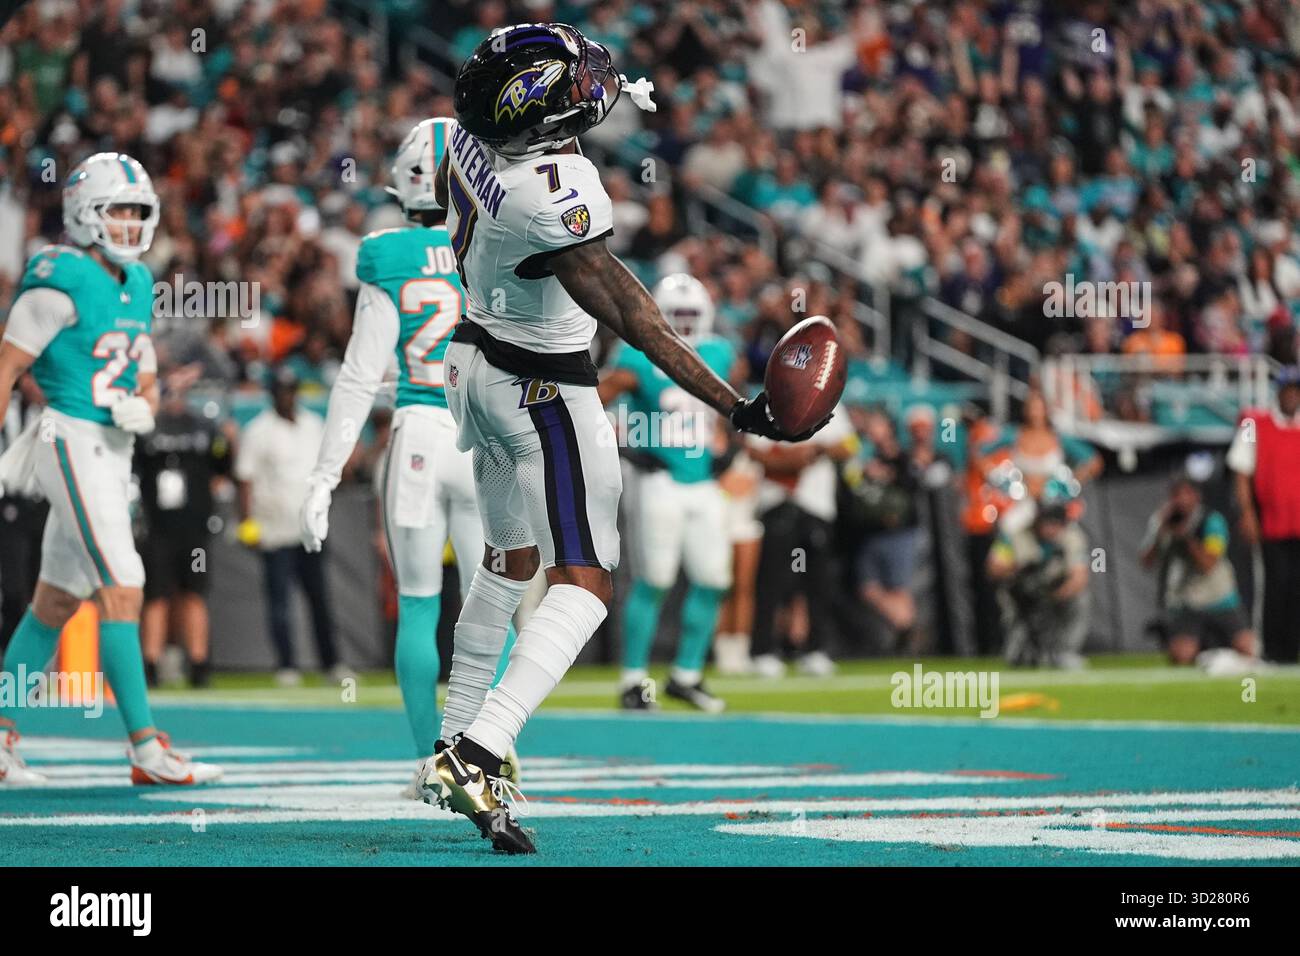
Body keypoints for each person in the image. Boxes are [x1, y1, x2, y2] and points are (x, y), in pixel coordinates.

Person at [418, 22, 824, 854]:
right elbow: (639, 320)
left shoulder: (459, 139)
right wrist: (738, 407)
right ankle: (479, 748)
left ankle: (449, 743)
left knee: (509, 563)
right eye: (565, 90)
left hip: (475, 363)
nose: (586, 91)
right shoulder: (553, 193)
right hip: (544, 389)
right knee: (586, 586)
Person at [299, 117, 517, 769]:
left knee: (419, 606)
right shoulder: (503, 242)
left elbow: (361, 373)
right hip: (490, 441)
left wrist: (323, 477)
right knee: (493, 608)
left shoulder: (388, 254)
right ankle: (487, 754)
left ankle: (432, 760)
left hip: (420, 435)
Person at [0, 152, 221, 786]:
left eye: (137, 211)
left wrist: (144, 402)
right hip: (69, 438)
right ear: (81, 212)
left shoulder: (140, 282)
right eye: (116, 210)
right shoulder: (55, 276)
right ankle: (146, 749)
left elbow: (143, 364)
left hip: (111, 448)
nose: (128, 223)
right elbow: (9, 367)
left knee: (54, 601)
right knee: (124, 579)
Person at [598, 273, 740, 712]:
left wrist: (730, 448)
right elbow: (592, 399)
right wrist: (624, 447)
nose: (683, 323)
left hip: (703, 483)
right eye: (675, 315)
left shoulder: (718, 351)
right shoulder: (636, 354)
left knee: (715, 580)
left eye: (689, 315)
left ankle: (686, 675)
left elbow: (735, 404)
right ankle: (633, 679)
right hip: (658, 480)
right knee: (654, 580)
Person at [235, 368, 345, 686]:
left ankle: (332, 664)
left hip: (310, 528)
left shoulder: (313, 424)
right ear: (272, 394)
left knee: (321, 600)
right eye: (281, 390)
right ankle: (287, 665)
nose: (286, 396)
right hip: (274, 528)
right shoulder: (258, 431)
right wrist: (247, 522)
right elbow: (245, 479)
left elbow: (329, 468)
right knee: (280, 602)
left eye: (291, 390)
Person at [133, 369, 231, 688]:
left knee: (194, 593)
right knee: (156, 596)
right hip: (158, 530)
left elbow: (223, 468)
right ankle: (151, 664)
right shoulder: (147, 430)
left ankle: (199, 664)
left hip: (194, 533)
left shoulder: (204, 428)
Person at [746, 403, 855, 677]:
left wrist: (817, 450)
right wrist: (790, 459)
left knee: (817, 582)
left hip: (815, 504)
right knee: (772, 582)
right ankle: (763, 650)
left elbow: (850, 446)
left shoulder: (828, 403)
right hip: (777, 501)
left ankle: (815, 649)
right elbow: (753, 451)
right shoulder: (768, 401)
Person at [1139, 474, 1256, 669]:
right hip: (1188, 601)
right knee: (1182, 656)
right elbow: (1146, 562)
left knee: (1248, 649)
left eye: (1187, 494)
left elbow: (1208, 564)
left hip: (1220, 597)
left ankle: (1216, 650)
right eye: (1176, 494)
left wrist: (1186, 537)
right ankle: (1205, 652)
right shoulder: (1161, 521)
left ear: (1196, 496)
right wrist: (1161, 533)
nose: (1181, 500)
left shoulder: (1212, 521)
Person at [1227, 365, 1300, 663]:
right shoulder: (1256, 423)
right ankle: (1274, 648)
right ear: (1279, 392)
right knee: (1275, 584)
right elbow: (1241, 472)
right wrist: (1247, 513)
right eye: (1289, 390)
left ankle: (1294, 647)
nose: (1293, 396)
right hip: (1273, 521)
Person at [986, 477, 1090, 669]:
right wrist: (1018, 568)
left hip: (1055, 593)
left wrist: (1055, 597)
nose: (1050, 528)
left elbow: (1080, 577)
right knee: (1019, 658)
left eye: (1055, 522)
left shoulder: (1074, 538)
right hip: (1022, 596)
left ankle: (1065, 651)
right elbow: (993, 568)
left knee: (1081, 598)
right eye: (1046, 521)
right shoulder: (1015, 535)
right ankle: (1023, 646)